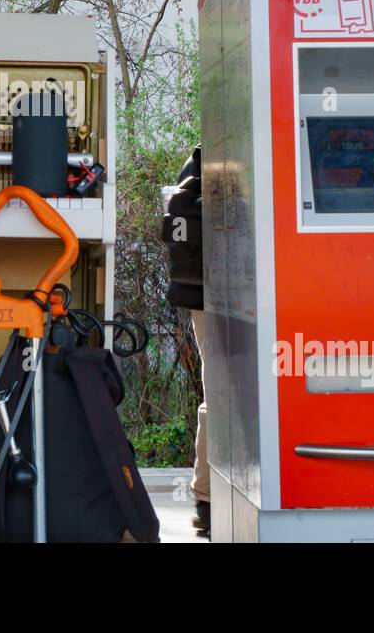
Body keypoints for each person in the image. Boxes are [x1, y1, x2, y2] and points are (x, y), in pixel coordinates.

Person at [162, 144, 209, 534]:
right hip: (228, 296)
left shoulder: (197, 163)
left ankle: (207, 499)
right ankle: (210, 498)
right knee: (226, 395)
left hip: (205, 296)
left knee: (219, 393)